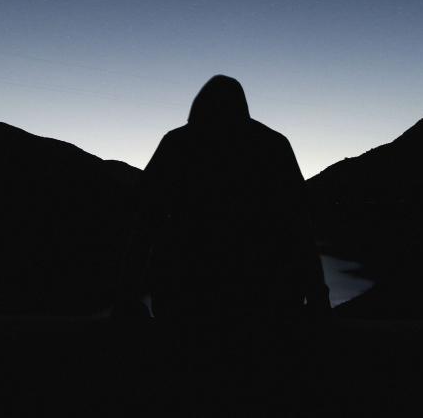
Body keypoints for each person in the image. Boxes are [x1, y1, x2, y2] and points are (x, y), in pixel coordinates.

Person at [113, 75, 330, 321]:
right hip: (267, 299)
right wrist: (318, 297)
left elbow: (145, 224)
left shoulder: (177, 144)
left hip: (184, 298)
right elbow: (299, 226)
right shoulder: (273, 145)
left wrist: (126, 296)